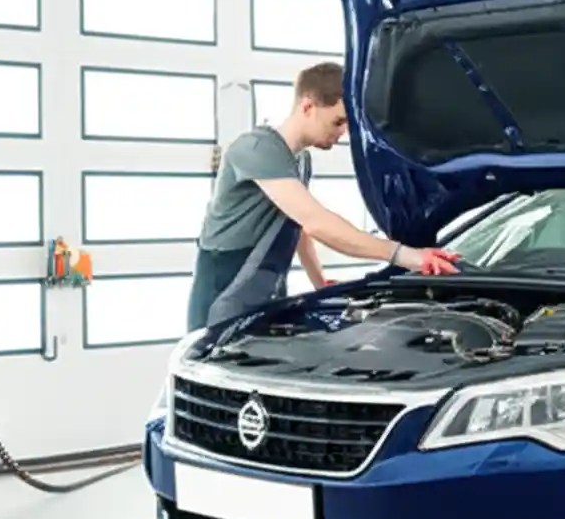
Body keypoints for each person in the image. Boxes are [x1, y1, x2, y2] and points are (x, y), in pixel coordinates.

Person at [187, 61, 459, 331]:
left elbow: (297, 226)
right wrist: (406, 256)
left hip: (263, 285)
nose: (342, 133)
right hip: (222, 287)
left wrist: (318, 281)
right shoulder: (256, 149)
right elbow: (317, 222)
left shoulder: (300, 160)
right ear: (307, 106)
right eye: (338, 121)